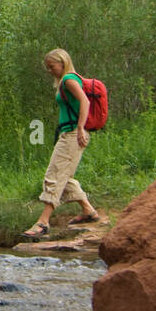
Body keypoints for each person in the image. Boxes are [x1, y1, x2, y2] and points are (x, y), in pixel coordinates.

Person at [24, 48, 102, 238]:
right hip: (68, 133)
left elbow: (85, 101)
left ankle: (43, 223)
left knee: (55, 175)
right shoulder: (68, 80)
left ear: (62, 62)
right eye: (48, 67)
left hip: (73, 135)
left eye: (52, 66)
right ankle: (88, 211)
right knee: (64, 176)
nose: (50, 70)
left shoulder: (69, 80)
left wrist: (81, 128)